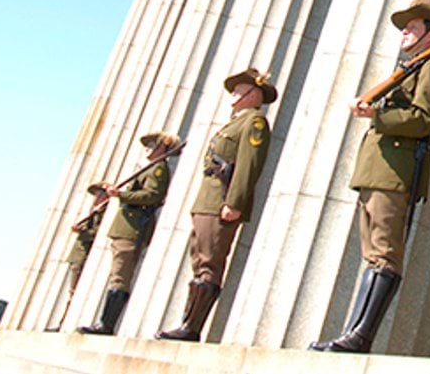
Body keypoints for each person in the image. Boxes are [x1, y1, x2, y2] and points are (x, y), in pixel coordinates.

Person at [310, 0, 430, 353]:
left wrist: (376, 115)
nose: (405, 32)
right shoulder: (412, 67)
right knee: (374, 255)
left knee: (384, 255)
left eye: (413, 26)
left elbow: (424, 118)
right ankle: (353, 335)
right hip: (377, 171)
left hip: (396, 172)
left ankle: (359, 338)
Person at [157, 68, 275, 341]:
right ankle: (187, 322)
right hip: (207, 198)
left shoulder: (254, 122)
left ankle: (192, 328)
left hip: (222, 200)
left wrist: (234, 202)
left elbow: (248, 165)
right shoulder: (233, 123)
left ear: (252, 94)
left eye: (238, 90)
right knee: (200, 260)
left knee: (210, 262)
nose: (233, 95)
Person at [78, 131, 179, 335]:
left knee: (120, 277)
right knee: (117, 275)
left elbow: (152, 195)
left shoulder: (158, 169)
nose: (147, 147)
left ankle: (107, 325)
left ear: (163, 146)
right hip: (126, 227)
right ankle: (105, 323)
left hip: (134, 227)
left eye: (152, 144)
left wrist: (121, 194)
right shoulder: (149, 169)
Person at [64, 184, 109, 298]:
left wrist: (82, 232)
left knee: (77, 271)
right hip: (81, 251)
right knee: (74, 272)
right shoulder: (95, 210)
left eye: (99, 195)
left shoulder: (105, 211)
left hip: (88, 251)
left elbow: (99, 231)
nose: (96, 198)